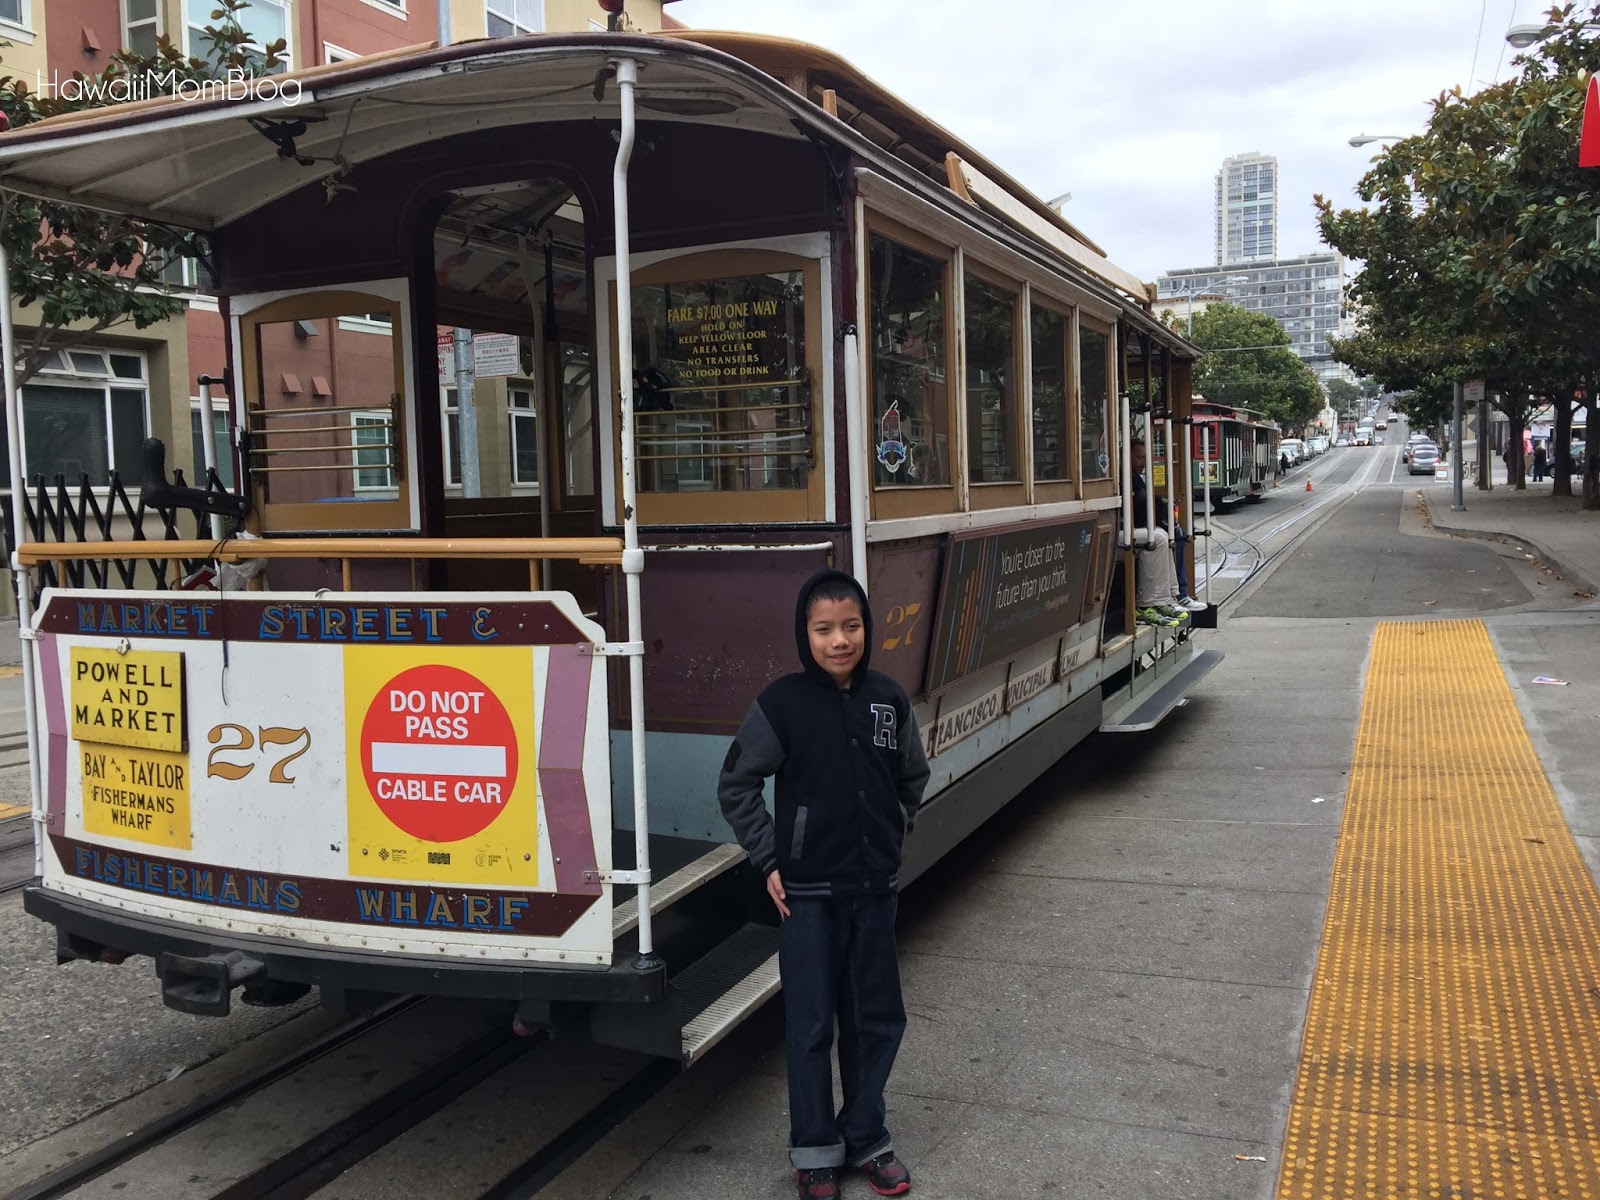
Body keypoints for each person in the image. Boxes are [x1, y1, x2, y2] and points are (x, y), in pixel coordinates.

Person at [718, 569, 929, 1200]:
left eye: (851, 626)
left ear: (867, 628)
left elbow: (911, 775)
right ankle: (814, 1149)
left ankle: (867, 1136)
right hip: (806, 897)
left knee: (875, 1018)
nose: (840, 640)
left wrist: (893, 830)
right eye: (824, 629)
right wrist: (769, 858)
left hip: (873, 890)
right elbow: (736, 784)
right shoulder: (781, 705)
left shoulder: (888, 699)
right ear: (804, 634)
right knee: (811, 1024)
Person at [1130, 439, 1203, 625]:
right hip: (1125, 529)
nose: (1142, 462)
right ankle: (1149, 603)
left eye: (1145, 458)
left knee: (1172, 534)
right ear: (1127, 457)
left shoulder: (1136, 477)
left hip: (1136, 525)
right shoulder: (1126, 477)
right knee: (1160, 538)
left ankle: (1172, 596)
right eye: (1139, 458)